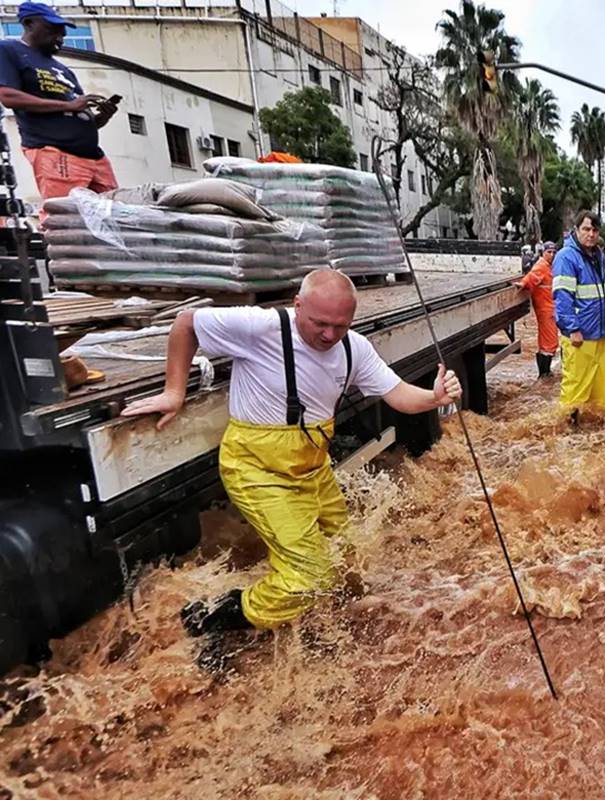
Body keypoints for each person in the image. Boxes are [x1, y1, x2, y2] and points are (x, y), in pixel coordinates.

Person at [121, 269, 462, 635]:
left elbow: (398, 394)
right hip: (257, 468)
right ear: (298, 306)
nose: (330, 335)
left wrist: (434, 397)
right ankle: (211, 619)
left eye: (340, 326)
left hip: (312, 468)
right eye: (320, 324)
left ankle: (322, 625)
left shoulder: (354, 347)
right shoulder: (260, 328)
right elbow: (186, 323)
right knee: (309, 573)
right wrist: (175, 392)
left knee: (347, 553)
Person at [0, 3, 120, 211]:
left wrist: (99, 119)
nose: (59, 38)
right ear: (29, 24)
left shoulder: (63, 70)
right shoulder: (10, 50)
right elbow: (8, 96)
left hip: (94, 157)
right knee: (67, 218)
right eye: (52, 30)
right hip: (56, 153)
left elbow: (73, 113)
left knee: (115, 215)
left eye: (62, 34)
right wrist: (70, 105)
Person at [553, 211, 605, 417]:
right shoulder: (566, 257)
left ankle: (595, 436)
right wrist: (572, 329)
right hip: (580, 335)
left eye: (595, 230)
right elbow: (562, 298)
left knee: (599, 391)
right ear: (576, 230)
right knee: (575, 389)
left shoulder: (599, 255)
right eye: (586, 229)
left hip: (601, 333)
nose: (591, 234)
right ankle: (569, 432)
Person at [514, 240, 557, 378]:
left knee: (549, 341)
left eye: (553, 252)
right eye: (549, 252)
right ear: (543, 253)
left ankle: (546, 373)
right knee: (548, 341)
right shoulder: (542, 265)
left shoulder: (549, 266)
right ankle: (544, 373)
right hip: (545, 309)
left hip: (549, 309)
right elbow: (531, 277)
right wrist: (522, 284)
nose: (552, 255)